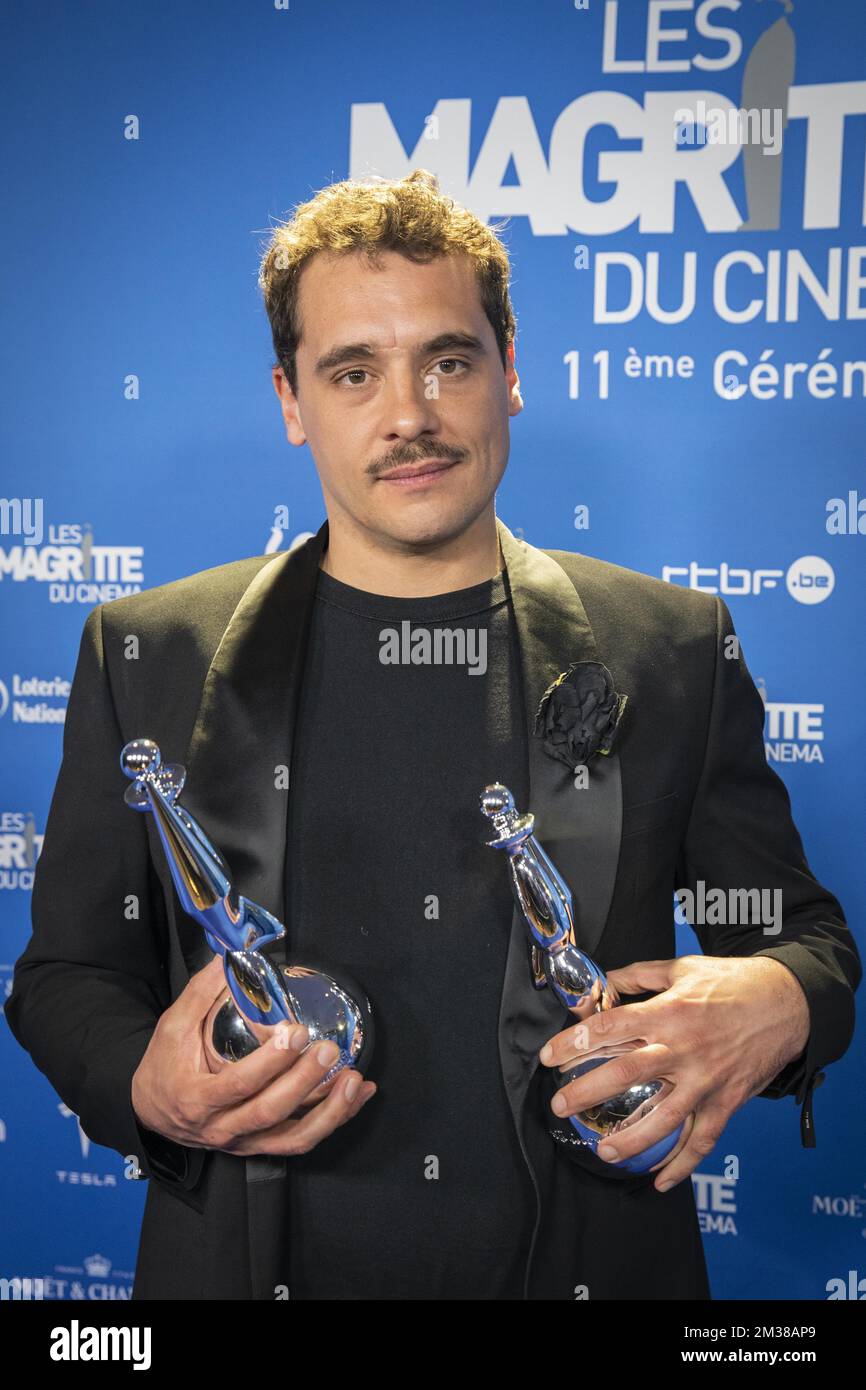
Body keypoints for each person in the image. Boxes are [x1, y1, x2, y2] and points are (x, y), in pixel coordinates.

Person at [7, 169, 860, 1301]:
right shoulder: (147, 649)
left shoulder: (670, 642)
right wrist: (142, 1084)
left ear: (509, 372)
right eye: (352, 372)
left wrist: (784, 999)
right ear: (290, 401)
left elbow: (802, 937)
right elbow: (66, 972)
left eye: (448, 361)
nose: (408, 414)